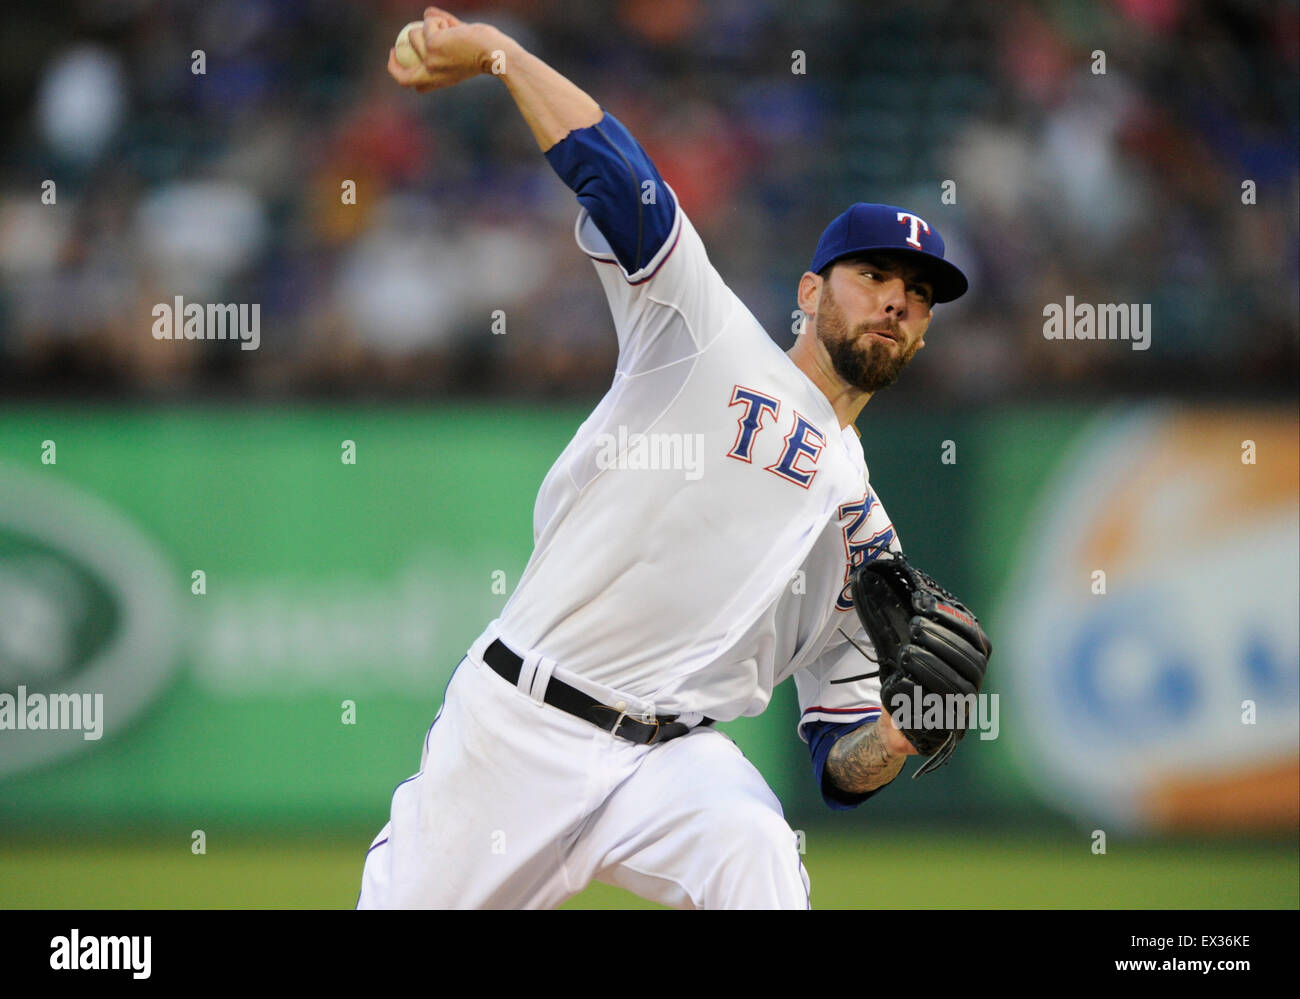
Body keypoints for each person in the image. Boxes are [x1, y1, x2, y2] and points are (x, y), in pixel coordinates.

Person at [358, 7, 970, 910]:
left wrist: (910, 730)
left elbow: (840, 762)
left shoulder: (868, 536)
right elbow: (616, 174)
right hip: (522, 724)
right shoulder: (707, 334)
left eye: (917, 295)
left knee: (757, 850)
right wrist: (501, 52)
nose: (895, 302)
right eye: (873, 277)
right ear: (810, 290)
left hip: (671, 764)